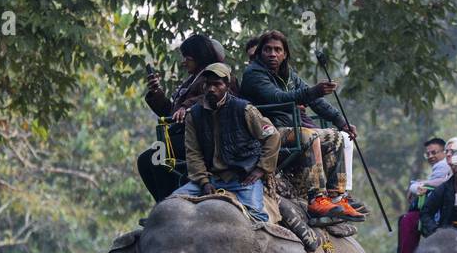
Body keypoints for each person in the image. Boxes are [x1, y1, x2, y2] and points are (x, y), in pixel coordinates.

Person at [239, 29, 365, 221]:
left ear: (285, 54)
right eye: (267, 50)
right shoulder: (253, 74)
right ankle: (316, 198)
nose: (272, 54)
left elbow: (314, 99)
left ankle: (337, 196)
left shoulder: (289, 74)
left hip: (289, 128)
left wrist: (341, 121)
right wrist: (314, 91)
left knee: (336, 136)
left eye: (277, 50)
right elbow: (277, 97)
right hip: (267, 132)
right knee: (308, 134)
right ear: (260, 53)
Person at [173, 63, 280, 222]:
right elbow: (193, 152)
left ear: (227, 86)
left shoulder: (244, 109)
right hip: (212, 177)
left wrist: (261, 169)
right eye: (208, 84)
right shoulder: (194, 115)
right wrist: (203, 182)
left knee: (257, 217)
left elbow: (272, 136)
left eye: (217, 84)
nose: (211, 89)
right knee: (172, 204)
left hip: (241, 178)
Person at [138, 34, 226, 202]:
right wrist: (157, 93)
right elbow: (171, 113)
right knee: (146, 160)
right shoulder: (191, 80)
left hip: (204, 138)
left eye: (188, 58)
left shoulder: (214, 77)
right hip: (182, 135)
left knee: (156, 159)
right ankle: (163, 203)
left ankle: (168, 204)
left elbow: (210, 98)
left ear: (199, 57)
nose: (183, 62)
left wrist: (187, 107)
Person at [380, 137, 450, 253]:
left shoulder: (444, 165)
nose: (430, 156)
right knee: (406, 218)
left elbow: (440, 183)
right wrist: (420, 184)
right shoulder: (443, 166)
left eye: (434, 152)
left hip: (440, 211)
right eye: (428, 154)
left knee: (408, 219)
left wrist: (418, 185)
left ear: (445, 152)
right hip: (437, 207)